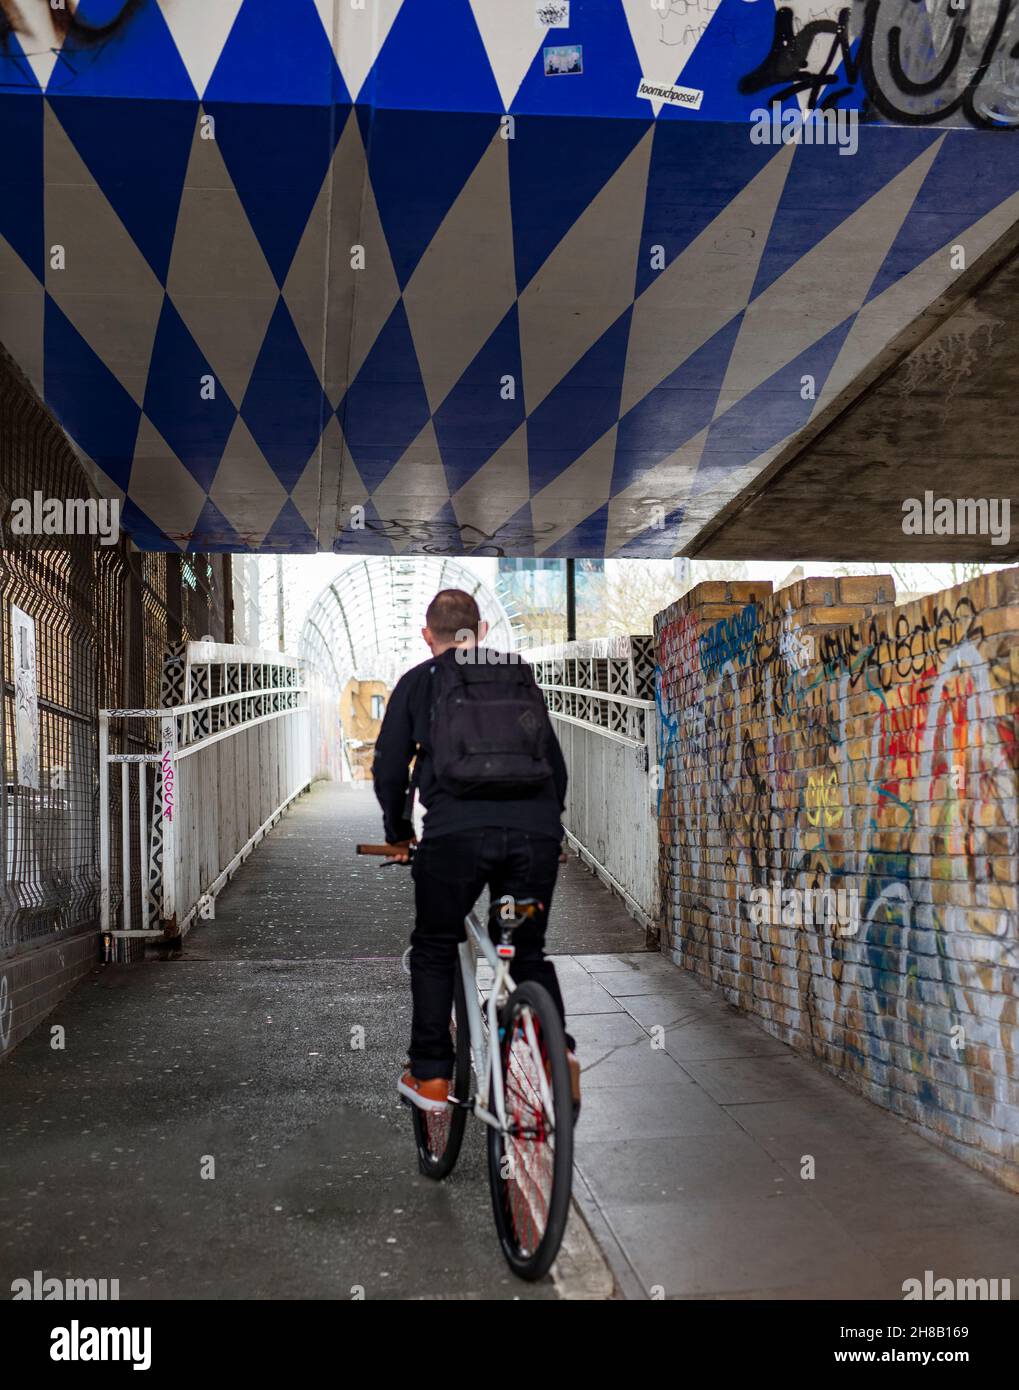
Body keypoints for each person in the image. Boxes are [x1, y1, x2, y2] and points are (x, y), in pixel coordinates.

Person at [372, 588, 580, 1114]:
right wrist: (546, 832)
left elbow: (391, 768)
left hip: (454, 842)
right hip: (531, 842)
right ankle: (561, 1060)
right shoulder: (517, 675)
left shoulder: (420, 682)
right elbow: (554, 766)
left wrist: (399, 834)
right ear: (481, 631)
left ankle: (433, 1076)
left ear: (428, 636)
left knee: (436, 944)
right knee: (524, 948)